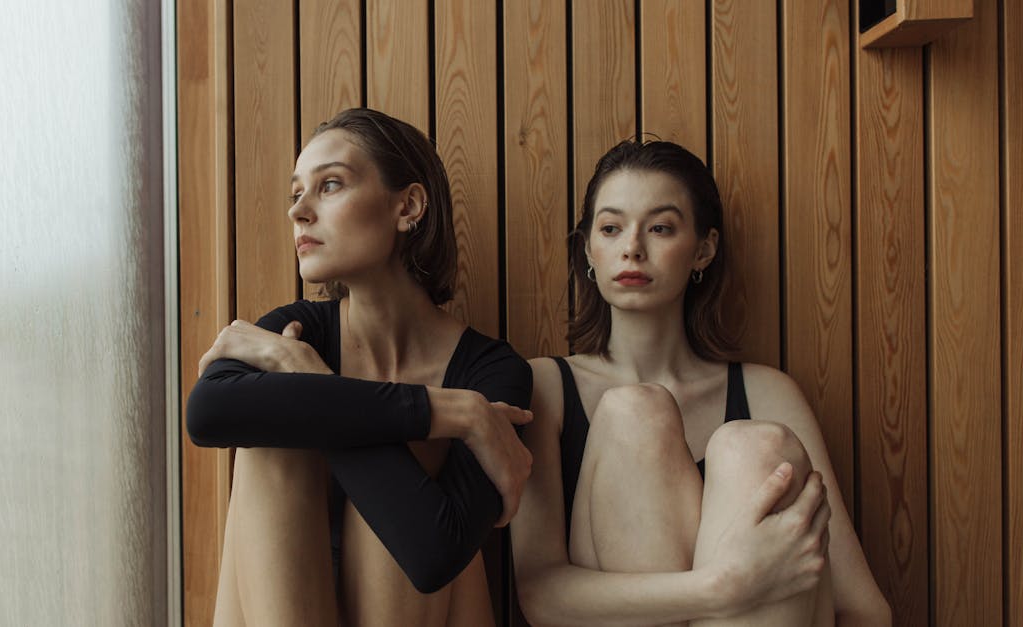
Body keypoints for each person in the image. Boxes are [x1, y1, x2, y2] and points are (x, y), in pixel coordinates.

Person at [510, 139, 891, 626]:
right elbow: (540, 593)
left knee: (753, 446)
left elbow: (863, 608)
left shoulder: (767, 393)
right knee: (635, 414)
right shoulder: (545, 386)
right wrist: (723, 588)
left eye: (661, 228)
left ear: (703, 250)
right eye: (611, 228)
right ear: (589, 248)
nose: (632, 247)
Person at [185, 108, 533, 627]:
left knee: (409, 452)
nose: (299, 212)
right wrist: (453, 412)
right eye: (295, 193)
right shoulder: (296, 331)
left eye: (329, 186)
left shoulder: (488, 372)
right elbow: (207, 414)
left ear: (408, 206)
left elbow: (431, 552)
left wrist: (307, 375)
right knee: (275, 445)